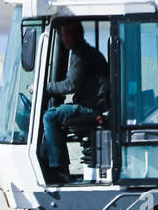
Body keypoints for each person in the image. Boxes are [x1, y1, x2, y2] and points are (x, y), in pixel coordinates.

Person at [41, 19, 109, 178]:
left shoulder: (81, 55)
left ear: (75, 36)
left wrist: (45, 87)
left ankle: (58, 167)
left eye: (65, 35)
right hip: (94, 104)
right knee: (55, 114)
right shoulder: (85, 52)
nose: (63, 39)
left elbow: (70, 85)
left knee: (50, 116)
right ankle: (52, 161)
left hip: (92, 108)